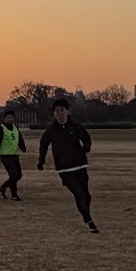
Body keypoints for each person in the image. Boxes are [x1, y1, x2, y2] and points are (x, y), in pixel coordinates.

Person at [37, 98, 98, 233]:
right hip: (64, 168)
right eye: (57, 111)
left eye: (62, 110)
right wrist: (41, 161)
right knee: (78, 193)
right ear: (54, 113)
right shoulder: (51, 130)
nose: (59, 113)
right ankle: (88, 219)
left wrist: (86, 148)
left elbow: (86, 138)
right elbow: (43, 145)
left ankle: (86, 215)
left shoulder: (76, 126)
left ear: (68, 111)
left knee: (86, 195)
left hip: (80, 165)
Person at [0, 111, 27, 201]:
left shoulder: (15, 127)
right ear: (4, 119)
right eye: (8, 117)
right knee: (14, 174)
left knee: (18, 175)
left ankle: (3, 187)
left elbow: (19, 138)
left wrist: (23, 147)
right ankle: (14, 195)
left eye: (12, 117)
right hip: (5, 155)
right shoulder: (1, 129)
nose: (10, 119)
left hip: (15, 155)